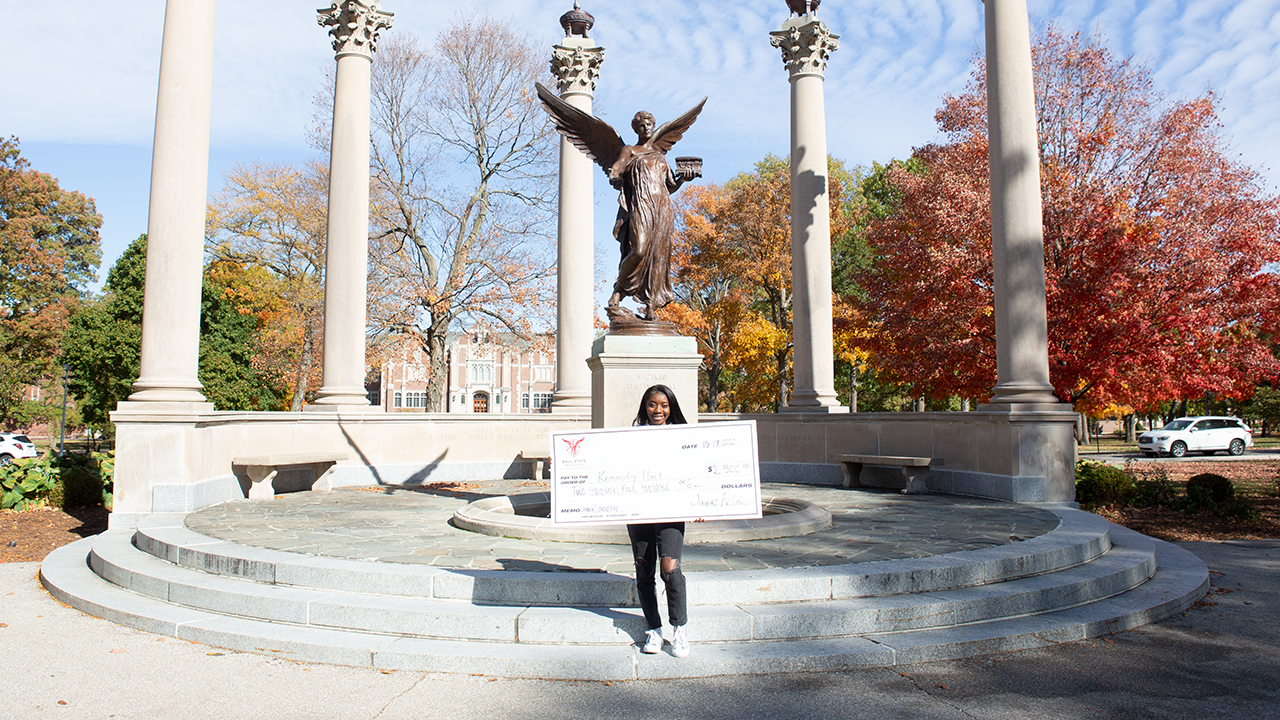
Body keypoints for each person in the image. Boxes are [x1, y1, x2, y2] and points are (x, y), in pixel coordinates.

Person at [628, 384, 692, 658]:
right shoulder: (629, 437)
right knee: (644, 568)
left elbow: (695, 471)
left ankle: (679, 629)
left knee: (670, 568)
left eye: (664, 405)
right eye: (652, 404)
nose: (658, 410)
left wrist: (700, 502)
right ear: (645, 407)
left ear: (671, 408)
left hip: (671, 510)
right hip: (639, 511)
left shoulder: (683, 436)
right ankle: (654, 629)